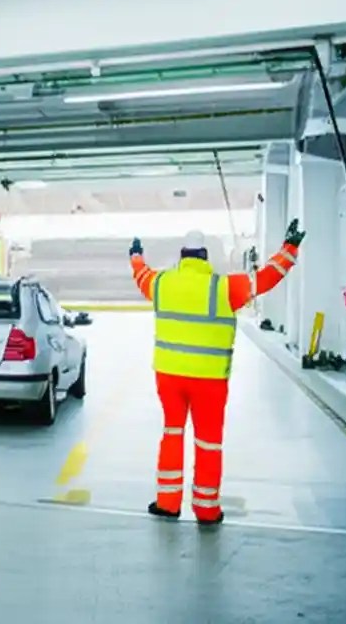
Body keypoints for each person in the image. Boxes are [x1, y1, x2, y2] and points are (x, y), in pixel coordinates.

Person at [129, 221, 305, 526]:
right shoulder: (224, 287)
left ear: (182, 255)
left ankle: (168, 503)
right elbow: (264, 279)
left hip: (169, 377)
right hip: (210, 381)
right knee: (208, 442)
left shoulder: (162, 283)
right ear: (205, 257)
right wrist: (289, 249)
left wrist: (135, 254)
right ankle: (207, 509)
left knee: (172, 433)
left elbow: (141, 275)